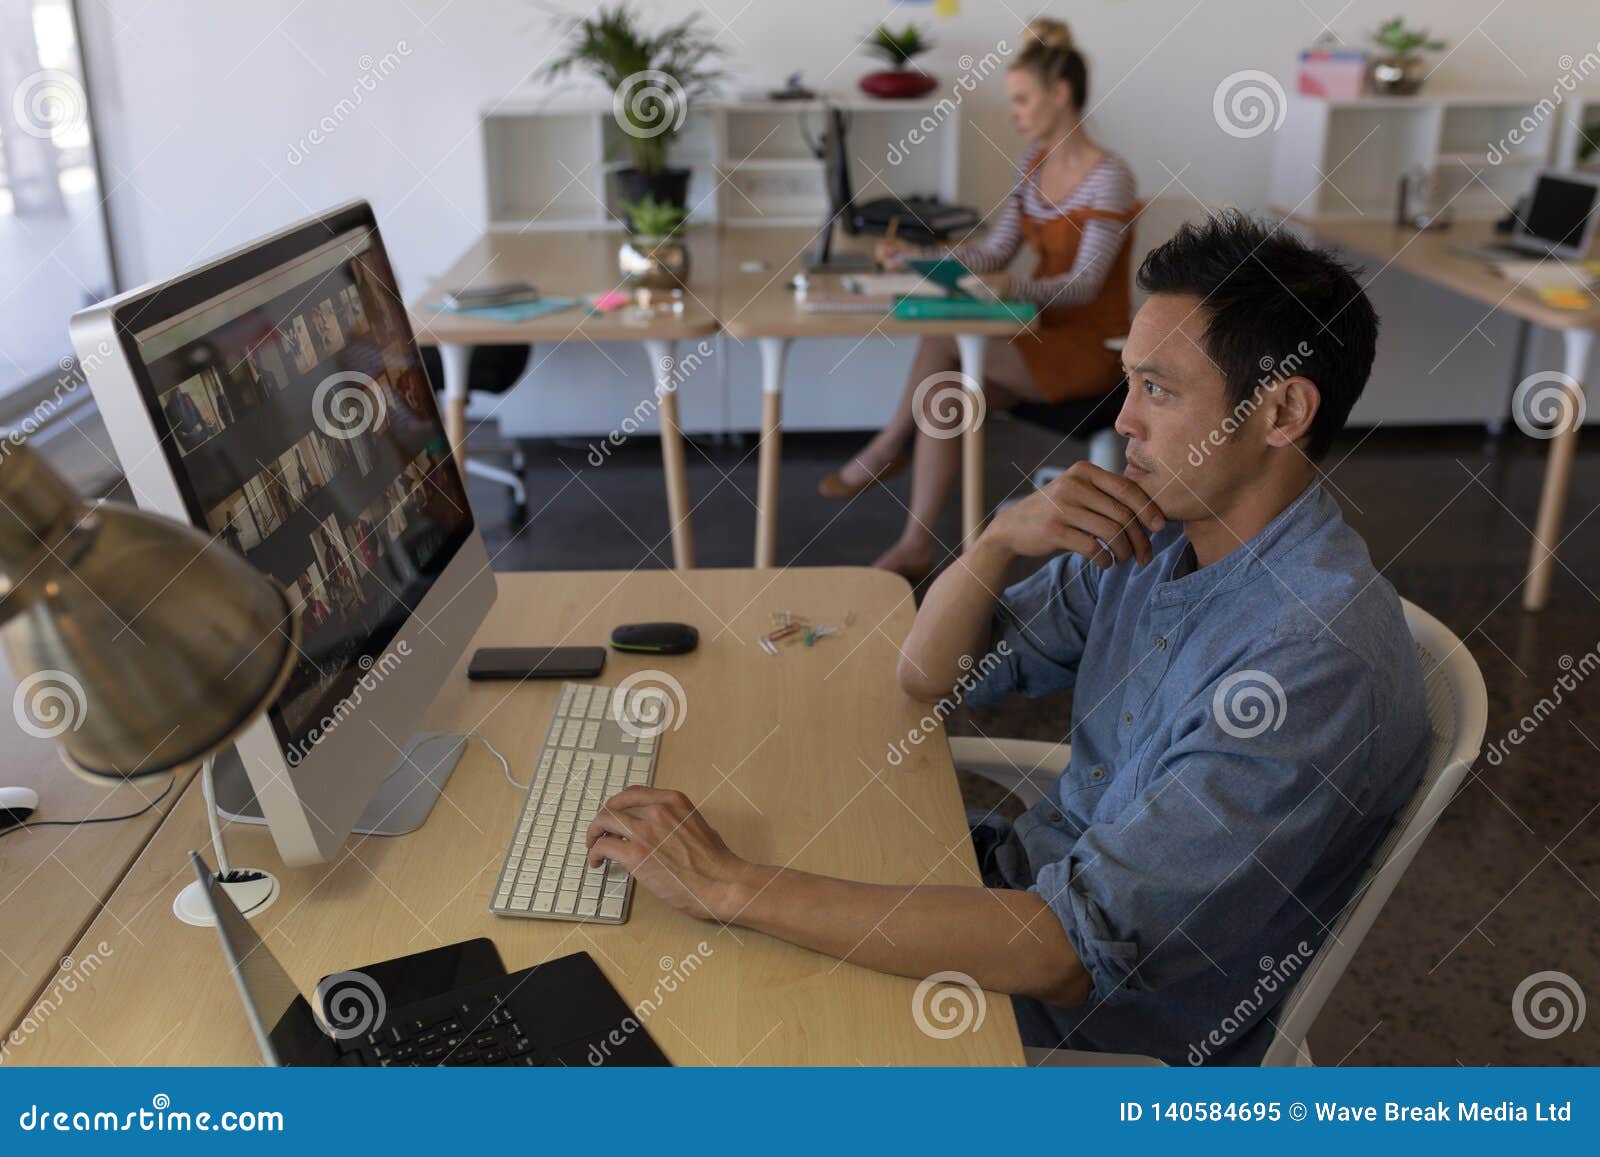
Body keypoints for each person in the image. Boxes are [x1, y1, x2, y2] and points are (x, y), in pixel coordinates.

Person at [582, 212, 1431, 1066]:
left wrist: (729, 885)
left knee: (707, 1017)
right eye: (1129, 381)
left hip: (1089, 1030)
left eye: (1159, 390)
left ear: (1282, 410)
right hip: (1010, 889)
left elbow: (1066, 952)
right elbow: (930, 673)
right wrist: (997, 538)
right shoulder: (1162, 534)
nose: (1125, 420)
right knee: (696, 924)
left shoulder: (1309, 661)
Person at [819, 17, 1138, 580]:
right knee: (942, 395)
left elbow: (1085, 285)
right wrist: (920, 259)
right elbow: (995, 252)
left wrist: (1014, 287)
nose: (1014, 113)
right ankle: (916, 547)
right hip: (1036, 330)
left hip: (1090, 347)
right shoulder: (1032, 165)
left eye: (1022, 99)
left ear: (1060, 94)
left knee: (945, 338)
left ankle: (888, 445)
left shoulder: (1110, 175)